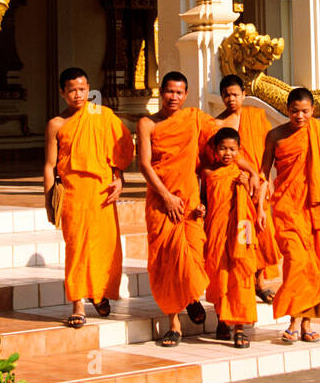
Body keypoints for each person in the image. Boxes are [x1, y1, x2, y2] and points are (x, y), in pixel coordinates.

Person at [43, 68, 133, 329]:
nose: (78, 95)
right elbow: (49, 165)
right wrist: (49, 201)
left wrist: (120, 177)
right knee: (77, 249)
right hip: (74, 194)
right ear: (62, 92)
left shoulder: (100, 115)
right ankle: (78, 304)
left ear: (89, 88)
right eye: (72, 90)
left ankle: (99, 291)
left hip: (102, 193)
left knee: (106, 248)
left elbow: (119, 148)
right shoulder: (57, 124)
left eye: (83, 89)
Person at [260, 86, 320, 343]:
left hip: (316, 208)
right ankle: (295, 319)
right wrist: (260, 203)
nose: (300, 117)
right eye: (295, 111)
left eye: (305, 111)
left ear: (313, 110)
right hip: (287, 207)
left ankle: (304, 323)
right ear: (287, 110)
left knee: (315, 265)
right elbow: (264, 172)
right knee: (297, 262)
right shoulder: (275, 136)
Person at [136, 71, 213, 346]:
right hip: (160, 200)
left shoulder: (193, 118)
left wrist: (252, 172)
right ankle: (174, 323)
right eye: (169, 91)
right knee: (166, 261)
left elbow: (220, 142)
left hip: (189, 200)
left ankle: (191, 296)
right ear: (161, 91)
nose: (174, 97)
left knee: (193, 254)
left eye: (179, 92)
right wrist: (167, 197)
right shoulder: (147, 124)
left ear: (186, 95)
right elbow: (144, 164)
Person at [205, 74, 279, 303]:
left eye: (235, 94)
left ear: (244, 95)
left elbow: (267, 152)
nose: (231, 99)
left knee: (261, 233)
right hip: (235, 189)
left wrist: (262, 178)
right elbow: (223, 156)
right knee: (242, 235)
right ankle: (242, 279)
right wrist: (249, 174)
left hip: (258, 189)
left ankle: (259, 280)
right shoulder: (217, 124)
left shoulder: (256, 117)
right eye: (226, 95)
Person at [200, 127, 265, 349]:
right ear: (215, 150)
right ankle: (222, 320)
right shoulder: (208, 172)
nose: (227, 153)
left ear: (238, 150)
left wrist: (246, 183)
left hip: (242, 227)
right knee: (219, 274)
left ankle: (239, 327)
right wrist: (200, 210)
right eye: (223, 148)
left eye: (232, 149)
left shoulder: (241, 172)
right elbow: (205, 200)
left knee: (242, 273)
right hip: (216, 229)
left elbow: (251, 201)